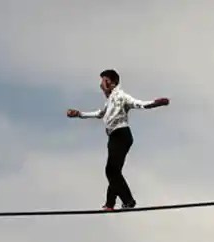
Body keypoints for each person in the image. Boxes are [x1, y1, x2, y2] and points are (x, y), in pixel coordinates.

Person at [66, 69, 169, 210]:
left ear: (111, 82)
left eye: (103, 82)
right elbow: (100, 114)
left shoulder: (121, 96)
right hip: (114, 137)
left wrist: (156, 103)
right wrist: (80, 114)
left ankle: (128, 201)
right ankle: (110, 203)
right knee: (114, 172)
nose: (101, 86)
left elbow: (139, 104)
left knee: (111, 171)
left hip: (121, 134)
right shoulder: (109, 101)